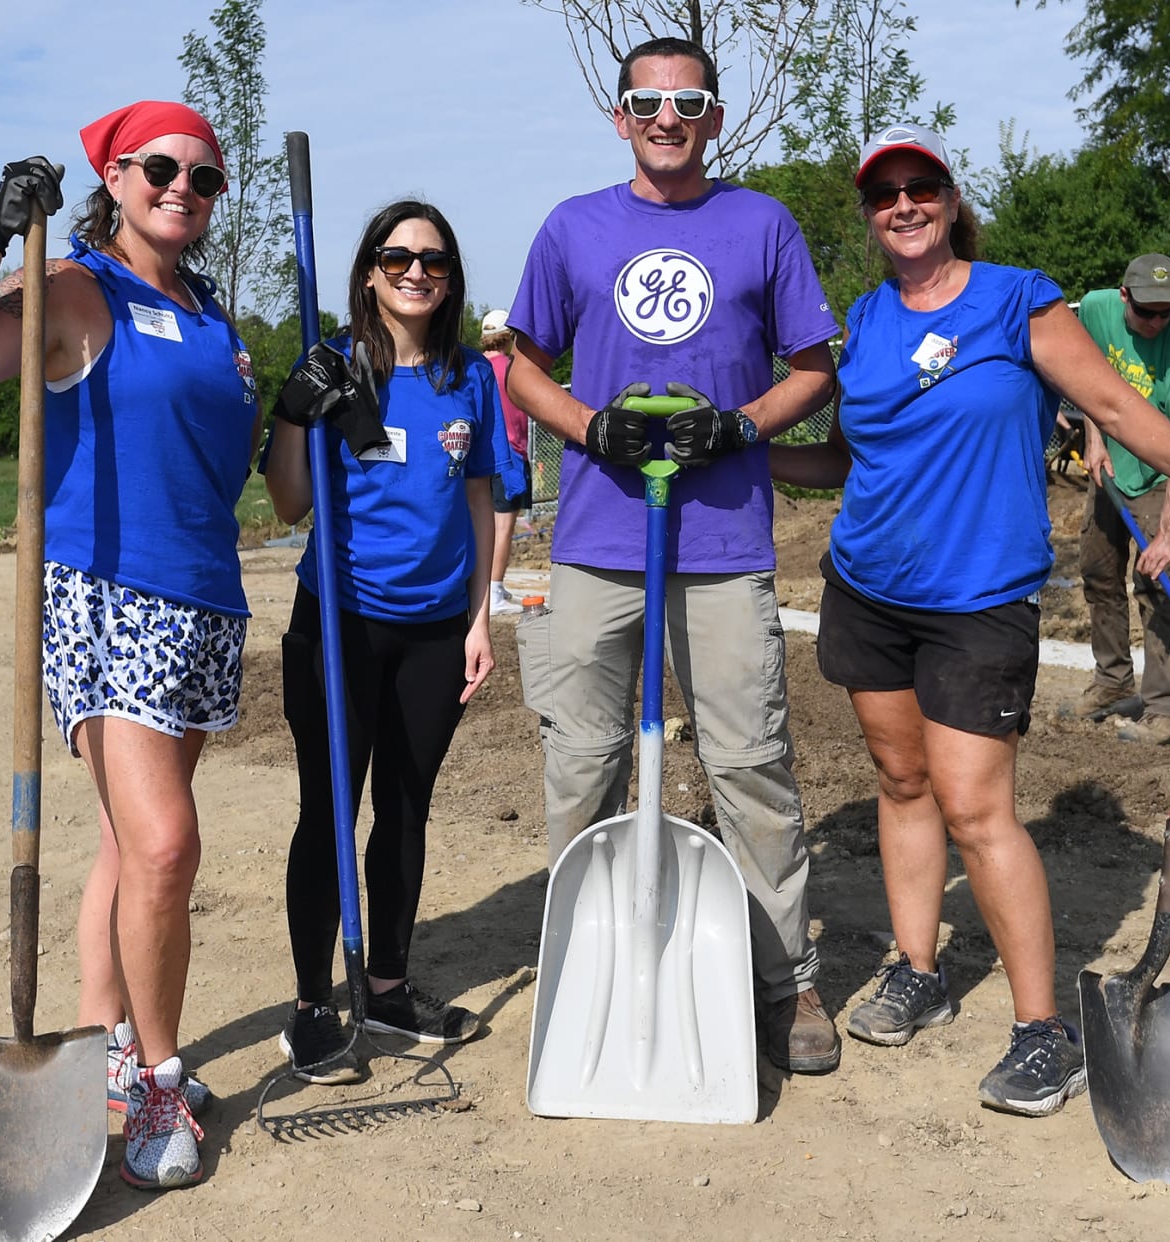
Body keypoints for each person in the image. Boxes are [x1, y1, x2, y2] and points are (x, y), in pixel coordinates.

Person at [770, 123, 1170, 1117]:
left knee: (976, 804)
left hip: (977, 599)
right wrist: (743, 451)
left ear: (952, 204)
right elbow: (840, 459)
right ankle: (921, 969)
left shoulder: (1017, 298)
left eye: (921, 188)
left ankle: (1046, 1030)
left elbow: (1115, 407)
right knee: (901, 783)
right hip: (867, 586)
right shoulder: (860, 323)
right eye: (883, 195)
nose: (901, 204)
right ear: (869, 218)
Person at [0, 101, 257, 1190]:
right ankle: (156, 1079)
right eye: (161, 169)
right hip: (109, 596)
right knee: (163, 849)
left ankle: (99, 1046)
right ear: (114, 173)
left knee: (122, 844)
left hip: (204, 601)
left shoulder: (208, 312)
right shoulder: (75, 286)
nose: (183, 191)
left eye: (205, 179)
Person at [501, 36, 844, 1075]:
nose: (666, 117)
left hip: (724, 543)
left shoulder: (762, 224)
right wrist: (587, 425)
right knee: (583, 761)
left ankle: (786, 979)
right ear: (619, 116)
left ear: (714, 115)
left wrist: (742, 427)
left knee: (748, 763)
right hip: (601, 540)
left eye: (687, 101)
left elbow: (814, 367)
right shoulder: (573, 228)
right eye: (647, 102)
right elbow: (519, 362)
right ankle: (588, 960)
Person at [262, 201, 522, 1084]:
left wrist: (484, 613)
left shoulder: (469, 378)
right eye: (399, 255)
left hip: (438, 630)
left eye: (435, 260)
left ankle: (386, 987)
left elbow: (484, 494)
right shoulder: (334, 367)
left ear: (451, 278)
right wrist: (295, 415)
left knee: (405, 807)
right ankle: (309, 1007)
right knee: (329, 808)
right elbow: (290, 503)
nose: (417, 271)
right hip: (338, 622)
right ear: (370, 269)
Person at [1073, 252, 1170, 746]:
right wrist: (1095, 438)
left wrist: (1168, 533)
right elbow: (1083, 377)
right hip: (1108, 466)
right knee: (1097, 572)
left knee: (1155, 584)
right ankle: (1112, 681)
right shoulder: (1095, 308)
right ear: (1123, 295)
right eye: (1145, 311)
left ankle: (1165, 707)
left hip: (1156, 474)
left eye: (1165, 312)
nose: (1154, 322)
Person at [479, 307, 533, 616]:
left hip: (479, 457)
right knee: (503, 526)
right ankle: (495, 590)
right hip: (509, 454)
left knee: (480, 523)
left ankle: (485, 586)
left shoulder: (474, 368)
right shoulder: (512, 369)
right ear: (509, 336)